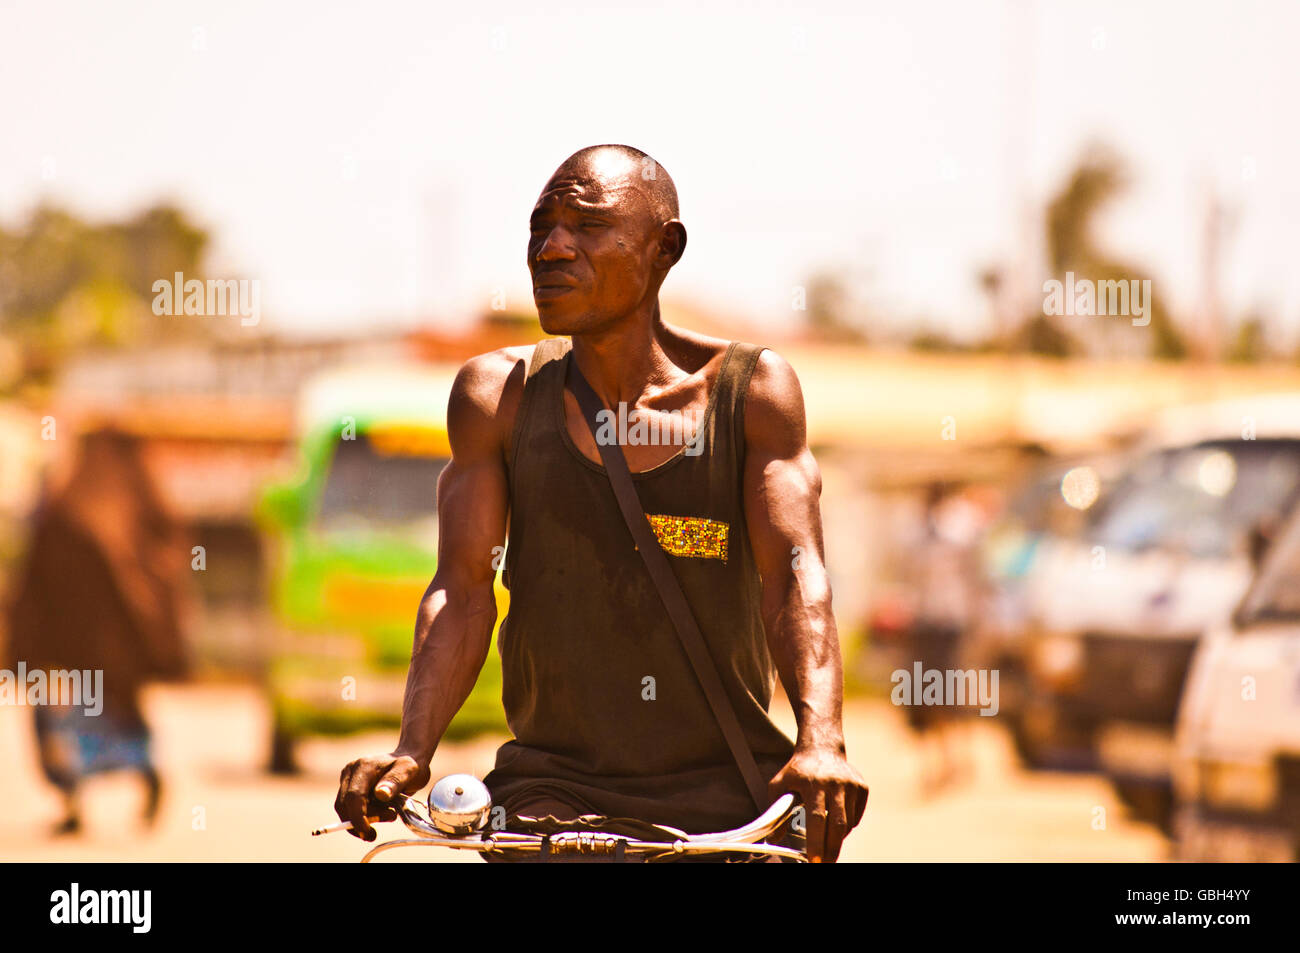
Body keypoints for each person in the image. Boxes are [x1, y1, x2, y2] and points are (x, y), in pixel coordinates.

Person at [334, 145, 867, 862]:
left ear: (663, 249)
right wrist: (410, 749)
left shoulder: (751, 397)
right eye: (540, 227)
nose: (552, 248)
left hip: (723, 802)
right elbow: (462, 590)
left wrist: (823, 741)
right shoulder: (497, 398)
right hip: (550, 798)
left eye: (585, 225)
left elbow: (795, 577)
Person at [5, 426, 190, 834]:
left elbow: (33, 583)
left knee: (64, 724)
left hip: (71, 652)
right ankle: (133, 778)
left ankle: (78, 799)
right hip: (119, 652)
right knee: (96, 721)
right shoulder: (141, 503)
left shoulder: (64, 505)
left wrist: (26, 647)